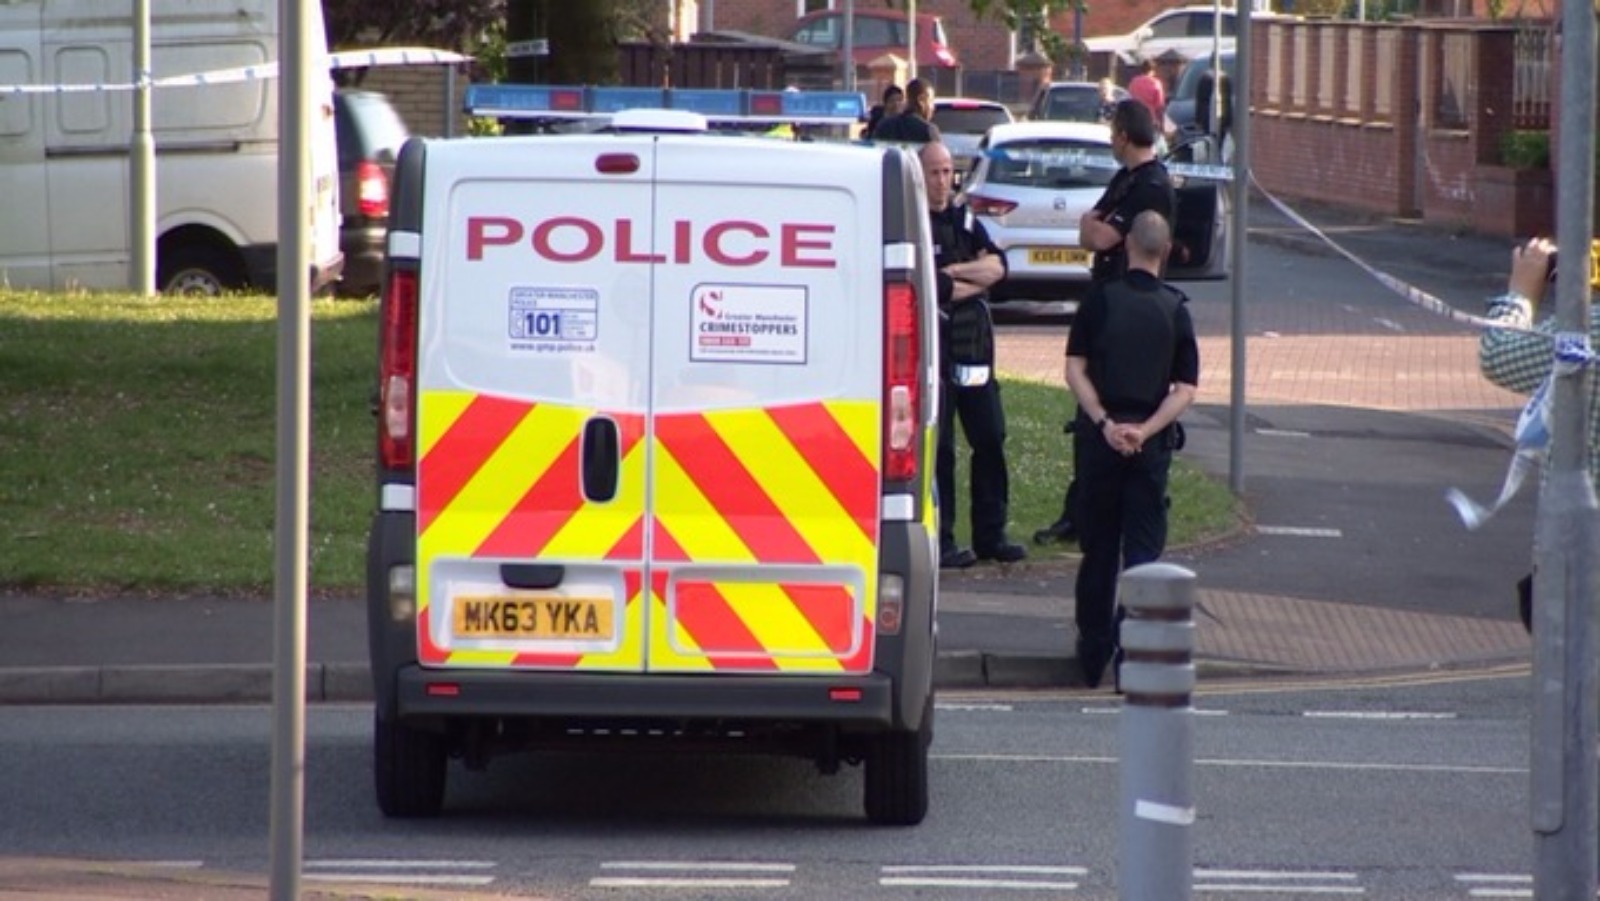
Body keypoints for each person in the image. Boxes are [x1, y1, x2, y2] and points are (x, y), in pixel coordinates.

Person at [1064, 210, 1199, 688]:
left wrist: (1104, 422)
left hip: (1100, 444)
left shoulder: (1099, 300)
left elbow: (1074, 367)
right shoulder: (1175, 309)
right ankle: (1131, 656)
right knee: (1142, 554)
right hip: (1149, 448)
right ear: (1164, 252)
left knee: (1098, 548)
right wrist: (1144, 430)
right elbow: (1184, 388)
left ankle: (1091, 650)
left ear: (1126, 247)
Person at [1034, 99, 1178, 546]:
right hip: (1108, 299)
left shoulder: (1150, 186)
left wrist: (1091, 227)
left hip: (1129, 306)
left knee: (1113, 396)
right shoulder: (1126, 179)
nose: (1111, 140)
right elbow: (1090, 233)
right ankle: (1080, 510)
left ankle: (1104, 504)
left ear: (1122, 134)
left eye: (1112, 132)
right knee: (1087, 408)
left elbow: (1100, 234)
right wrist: (1089, 228)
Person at [1478, 236, 1600, 631]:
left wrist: (1522, 293)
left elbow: (1500, 354)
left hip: (1580, 558)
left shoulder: (1590, 330)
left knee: (1572, 683)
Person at [919, 140, 1027, 569]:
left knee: (989, 437)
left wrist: (955, 273)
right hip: (934, 356)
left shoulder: (965, 219)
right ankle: (942, 540)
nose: (943, 181)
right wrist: (958, 280)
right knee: (940, 447)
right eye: (935, 173)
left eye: (948, 172)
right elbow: (930, 287)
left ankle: (991, 535)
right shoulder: (913, 224)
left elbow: (998, 269)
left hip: (973, 353)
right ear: (919, 176)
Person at [873, 78, 942, 144]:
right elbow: (938, 155)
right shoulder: (928, 130)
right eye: (931, 101)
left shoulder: (884, 126)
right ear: (921, 100)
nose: (933, 107)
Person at [1128, 58, 1167, 128]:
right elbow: (1159, 104)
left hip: (1134, 116)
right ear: (1152, 70)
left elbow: (1130, 97)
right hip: (1149, 117)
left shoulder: (1134, 81)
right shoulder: (1156, 83)